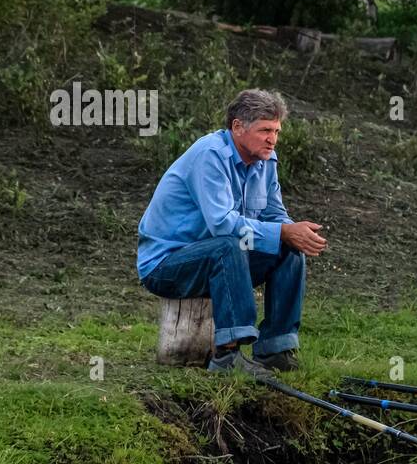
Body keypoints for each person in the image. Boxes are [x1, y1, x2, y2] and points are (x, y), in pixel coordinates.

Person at [136, 89, 327, 376]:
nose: (272, 139)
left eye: (276, 131)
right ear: (238, 127)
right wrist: (283, 231)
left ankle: (275, 349)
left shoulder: (266, 160)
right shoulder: (210, 155)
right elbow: (222, 224)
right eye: (264, 130)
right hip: (167, 266)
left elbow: (274, 215)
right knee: (229, 244)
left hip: (220, 260)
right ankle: (227, 356)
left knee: (289, 248)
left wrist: (294, 232)